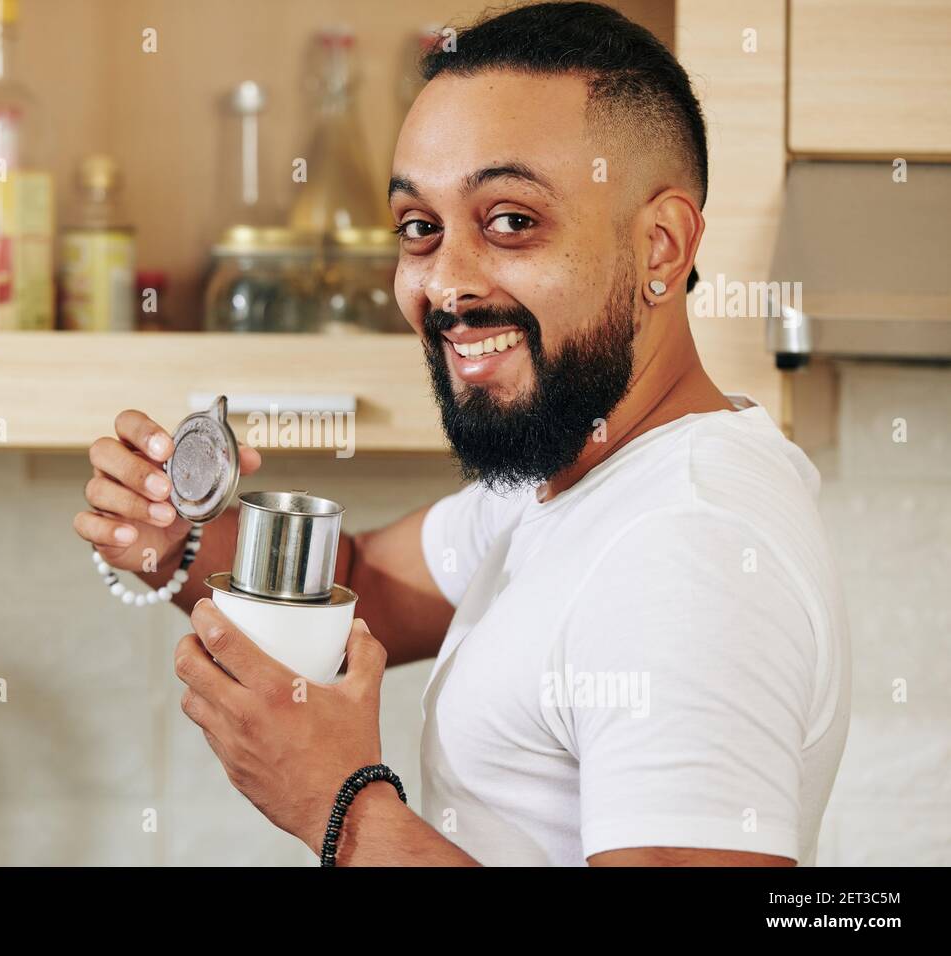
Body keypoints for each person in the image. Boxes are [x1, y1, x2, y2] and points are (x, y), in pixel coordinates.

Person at [73, 1, 849, 866]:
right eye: (419, 229)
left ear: (662, 247)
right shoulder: (578, 475)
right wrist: (176, 540)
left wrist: (343, 810)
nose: (444, 285)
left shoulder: (687, 550)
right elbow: (361, 584)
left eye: (511, 221)